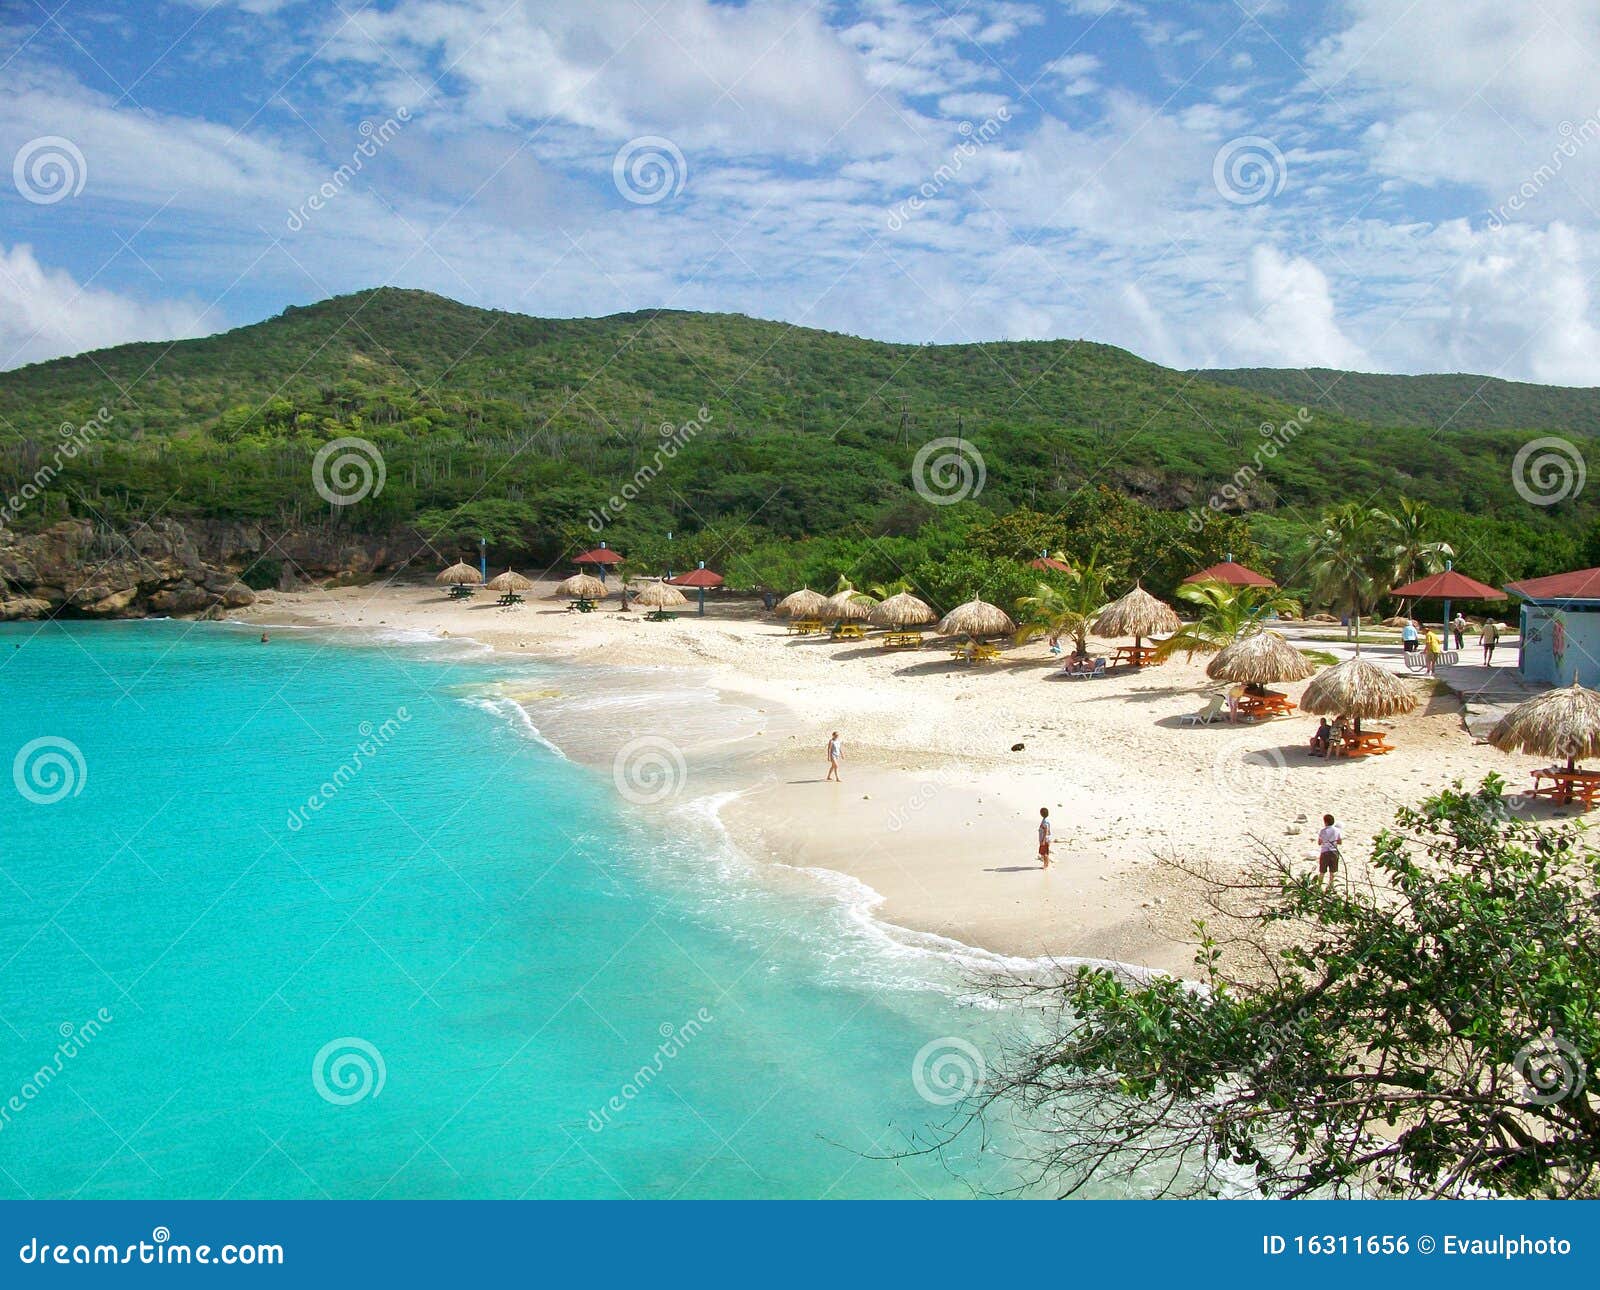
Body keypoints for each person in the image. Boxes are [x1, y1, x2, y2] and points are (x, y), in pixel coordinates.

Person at [1317, 814, 1343, 885]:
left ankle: (1319, 886)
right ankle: (1331, 887)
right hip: (1334, 852)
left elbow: (1319, 842)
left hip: (1325, 852)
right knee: (1332, 872)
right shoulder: (1337, 830)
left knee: (1322, 871)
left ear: (1326, 822)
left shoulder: (1323, 831)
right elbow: (1340, 842)